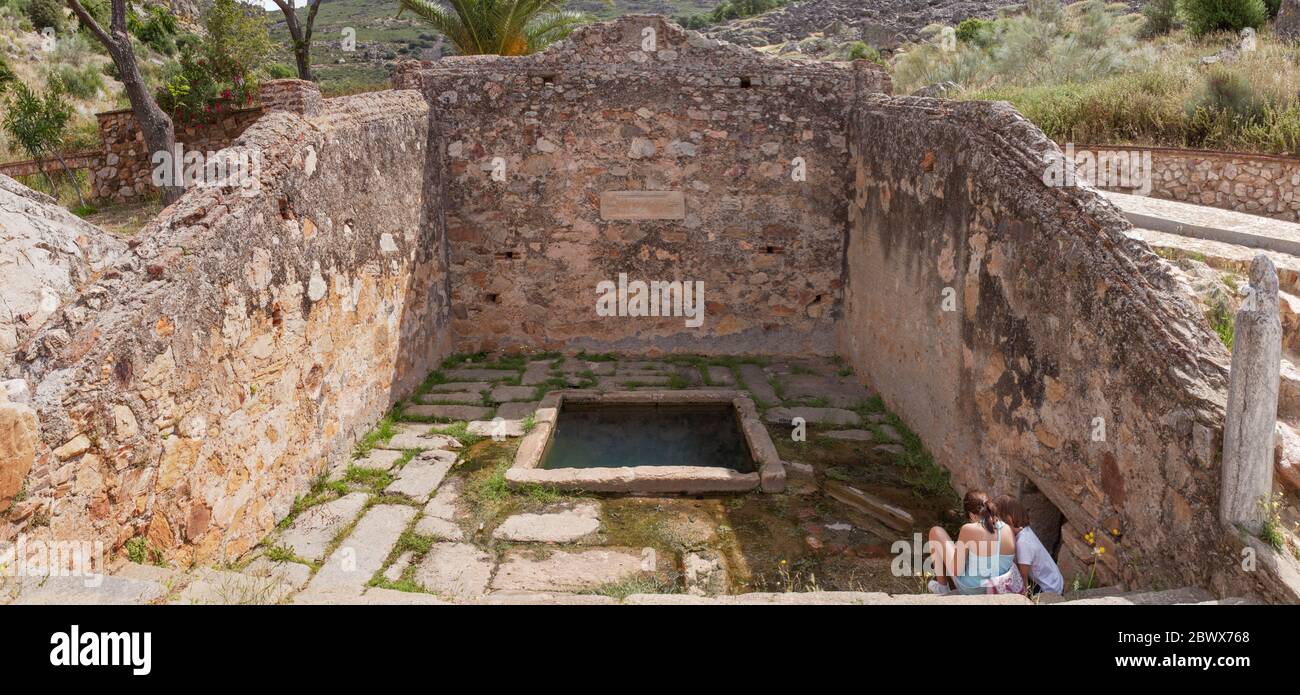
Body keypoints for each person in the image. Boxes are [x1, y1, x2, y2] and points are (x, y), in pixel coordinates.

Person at [926, 490, 1017, 595]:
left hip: (974, 589)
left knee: (936, 531)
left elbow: (957, 571)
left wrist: (956, 553)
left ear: (972, 515)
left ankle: (942, 588)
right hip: (1000, 586)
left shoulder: (968, 529)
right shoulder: (1008, 529)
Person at [993, 494, 1064, 596]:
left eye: (997, 521)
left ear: (1009, 519)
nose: (996, 526)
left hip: (1049, 589)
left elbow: (1023, 577)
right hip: (1053, 580)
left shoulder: (1023, 542)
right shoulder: (1023, 531)